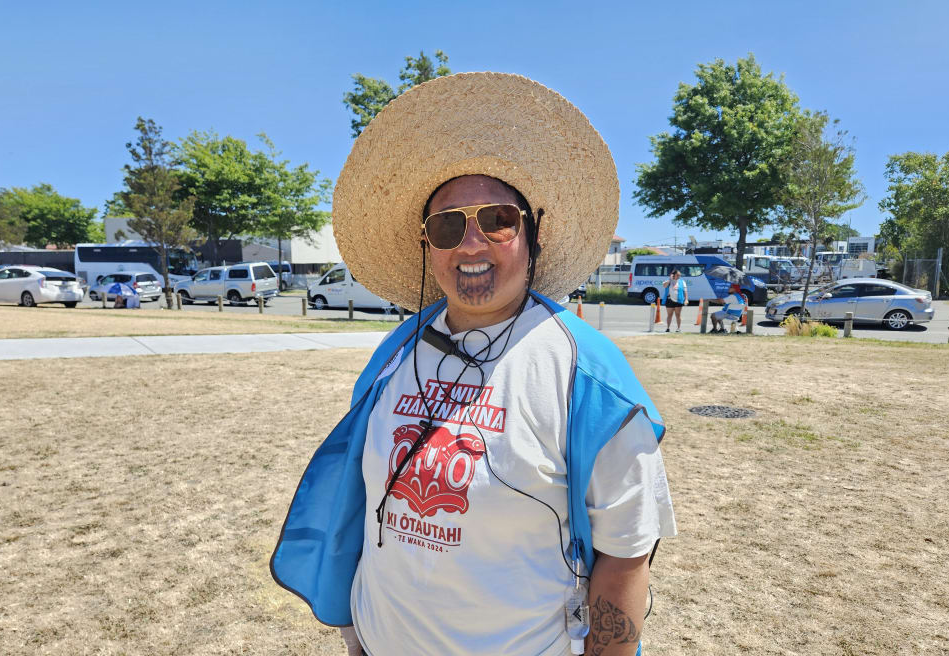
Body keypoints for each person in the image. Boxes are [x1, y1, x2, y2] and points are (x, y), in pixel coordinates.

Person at [270, 73, 676, 656]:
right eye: (447, 225)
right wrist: (356, 635)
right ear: (427, 245)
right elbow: (363, 506)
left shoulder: (588, 376)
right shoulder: (395, 353)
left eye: (497, 220)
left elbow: (627, 553)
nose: (471, 244)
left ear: (533, 233)